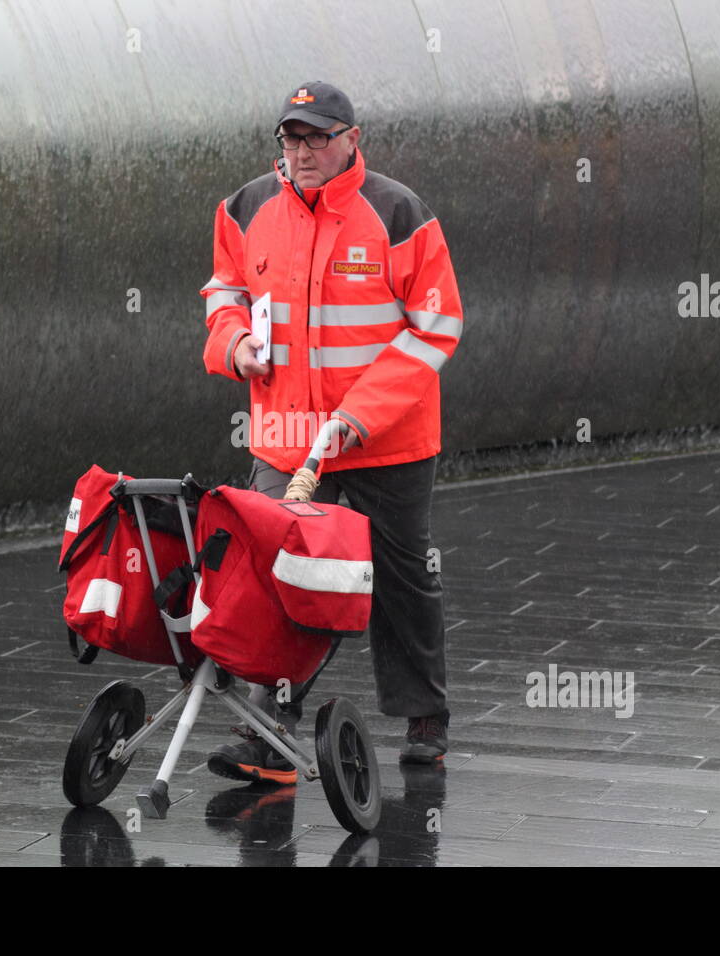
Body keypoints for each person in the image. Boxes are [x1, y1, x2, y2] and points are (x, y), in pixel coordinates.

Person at [199, 81, 463, 782]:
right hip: (286, 442)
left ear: (352, 138)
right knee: (285, 578)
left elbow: (436, 325)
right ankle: (271, 735)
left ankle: (424, 718)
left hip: (387, 440)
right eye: (291, 138)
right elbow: (225, 290)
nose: (303, 151)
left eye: (317, 137)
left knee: (402, 578)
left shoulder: (398, 211)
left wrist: (357, 415)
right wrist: (233, 344)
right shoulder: (246, 207)